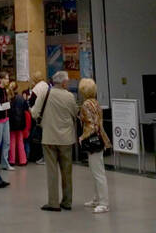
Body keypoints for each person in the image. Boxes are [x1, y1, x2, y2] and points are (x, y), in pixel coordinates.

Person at [35, 72, 79, 211]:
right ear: (64, 83)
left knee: (51, 171)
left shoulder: (45, 94)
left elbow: (35, 112)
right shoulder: (70, 96)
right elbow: (75, 113)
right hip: (66, 139)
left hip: (49, 137)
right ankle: (67, 201)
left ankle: (53, 202)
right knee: (67, 171)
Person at [78, 78, 108, 213]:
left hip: (92, 140)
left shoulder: (85, 105)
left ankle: (103, 202)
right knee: (97, 171)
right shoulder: (96, 103)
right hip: (101, 139)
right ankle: (97, 198)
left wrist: (82, 137)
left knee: (98, 173)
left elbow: (91, 124)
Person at [8, 82, 30, 166]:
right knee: (20, 141)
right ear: (17, 88)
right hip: (20, 122)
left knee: (12, 141)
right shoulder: (21, 98)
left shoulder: (9, 98)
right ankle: (22, 160)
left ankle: (12, 160)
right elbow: (26, 109)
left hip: (11, 123)